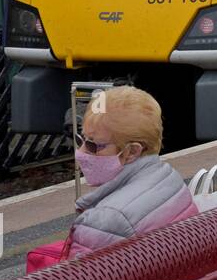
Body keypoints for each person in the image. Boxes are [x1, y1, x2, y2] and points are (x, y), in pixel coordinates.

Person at [70, 85, 198, 257]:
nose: (82, 152)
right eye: (81, 139)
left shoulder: (107, 220)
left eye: (93, 145)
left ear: (132, 152)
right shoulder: (169, 178)